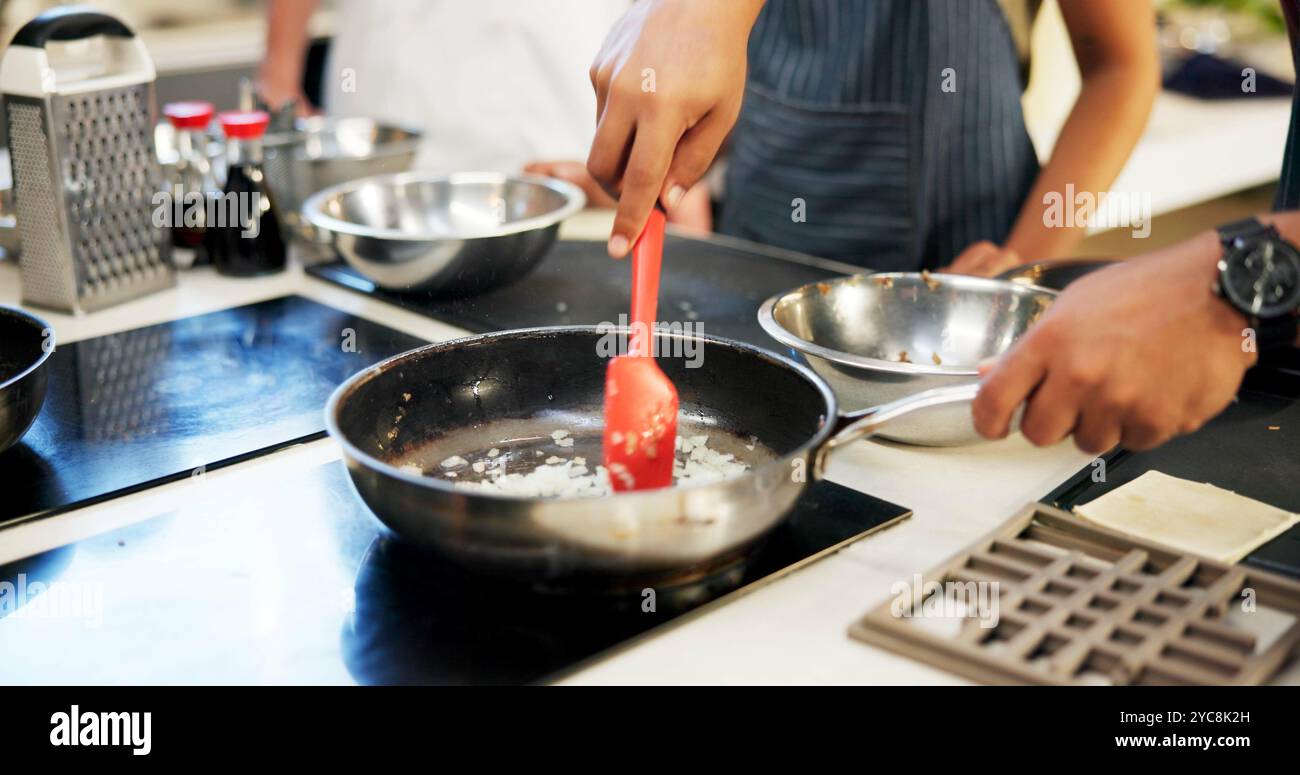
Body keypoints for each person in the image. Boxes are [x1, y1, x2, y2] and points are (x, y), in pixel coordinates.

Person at [583, 0, 1158, 274]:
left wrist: (1030, 261)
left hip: (976, 277)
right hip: (761, 263)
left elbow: (1122, 69)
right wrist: (667, 166)